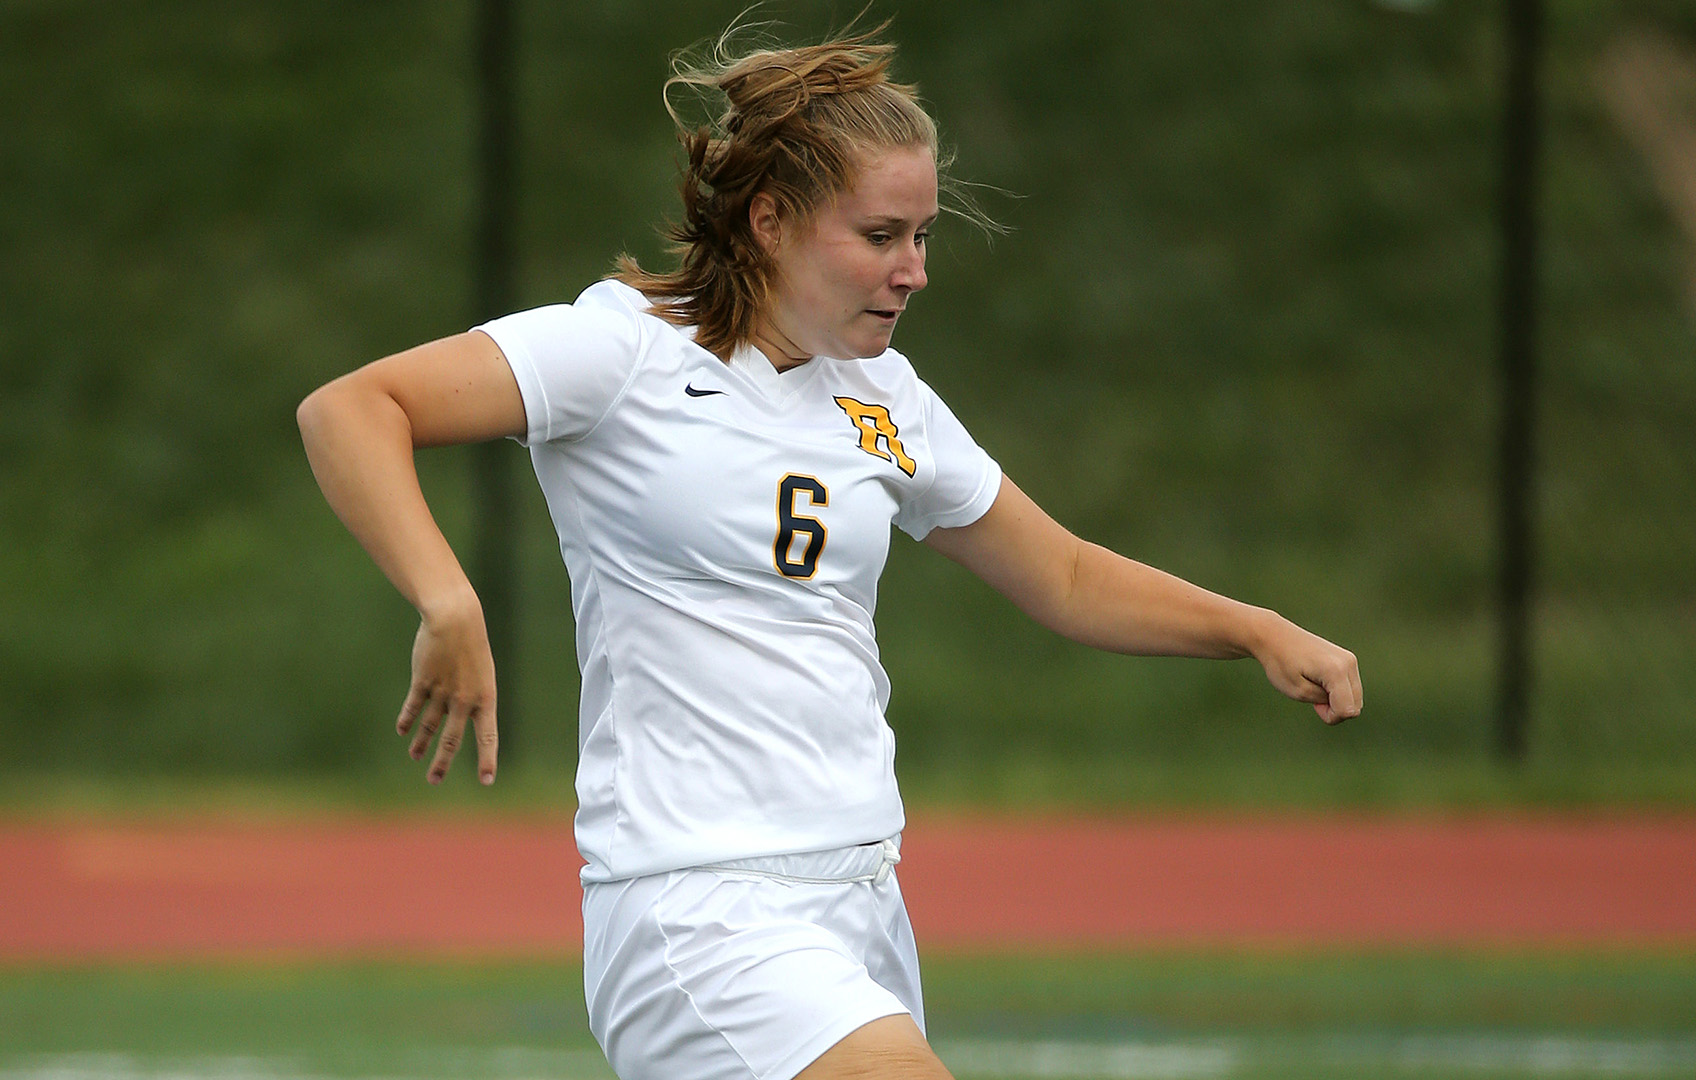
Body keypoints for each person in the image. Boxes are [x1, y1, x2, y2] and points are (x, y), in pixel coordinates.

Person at [297, 24, 1361, 1080]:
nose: (915, 271)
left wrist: (1253, 628)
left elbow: (1066, 575)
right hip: (700, 908)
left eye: (925, 236)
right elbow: (353, 408)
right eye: (883, 234)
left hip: (859, 901)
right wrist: (447, 600)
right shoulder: (624, 351)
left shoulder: (883, 398)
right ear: (770, 220)